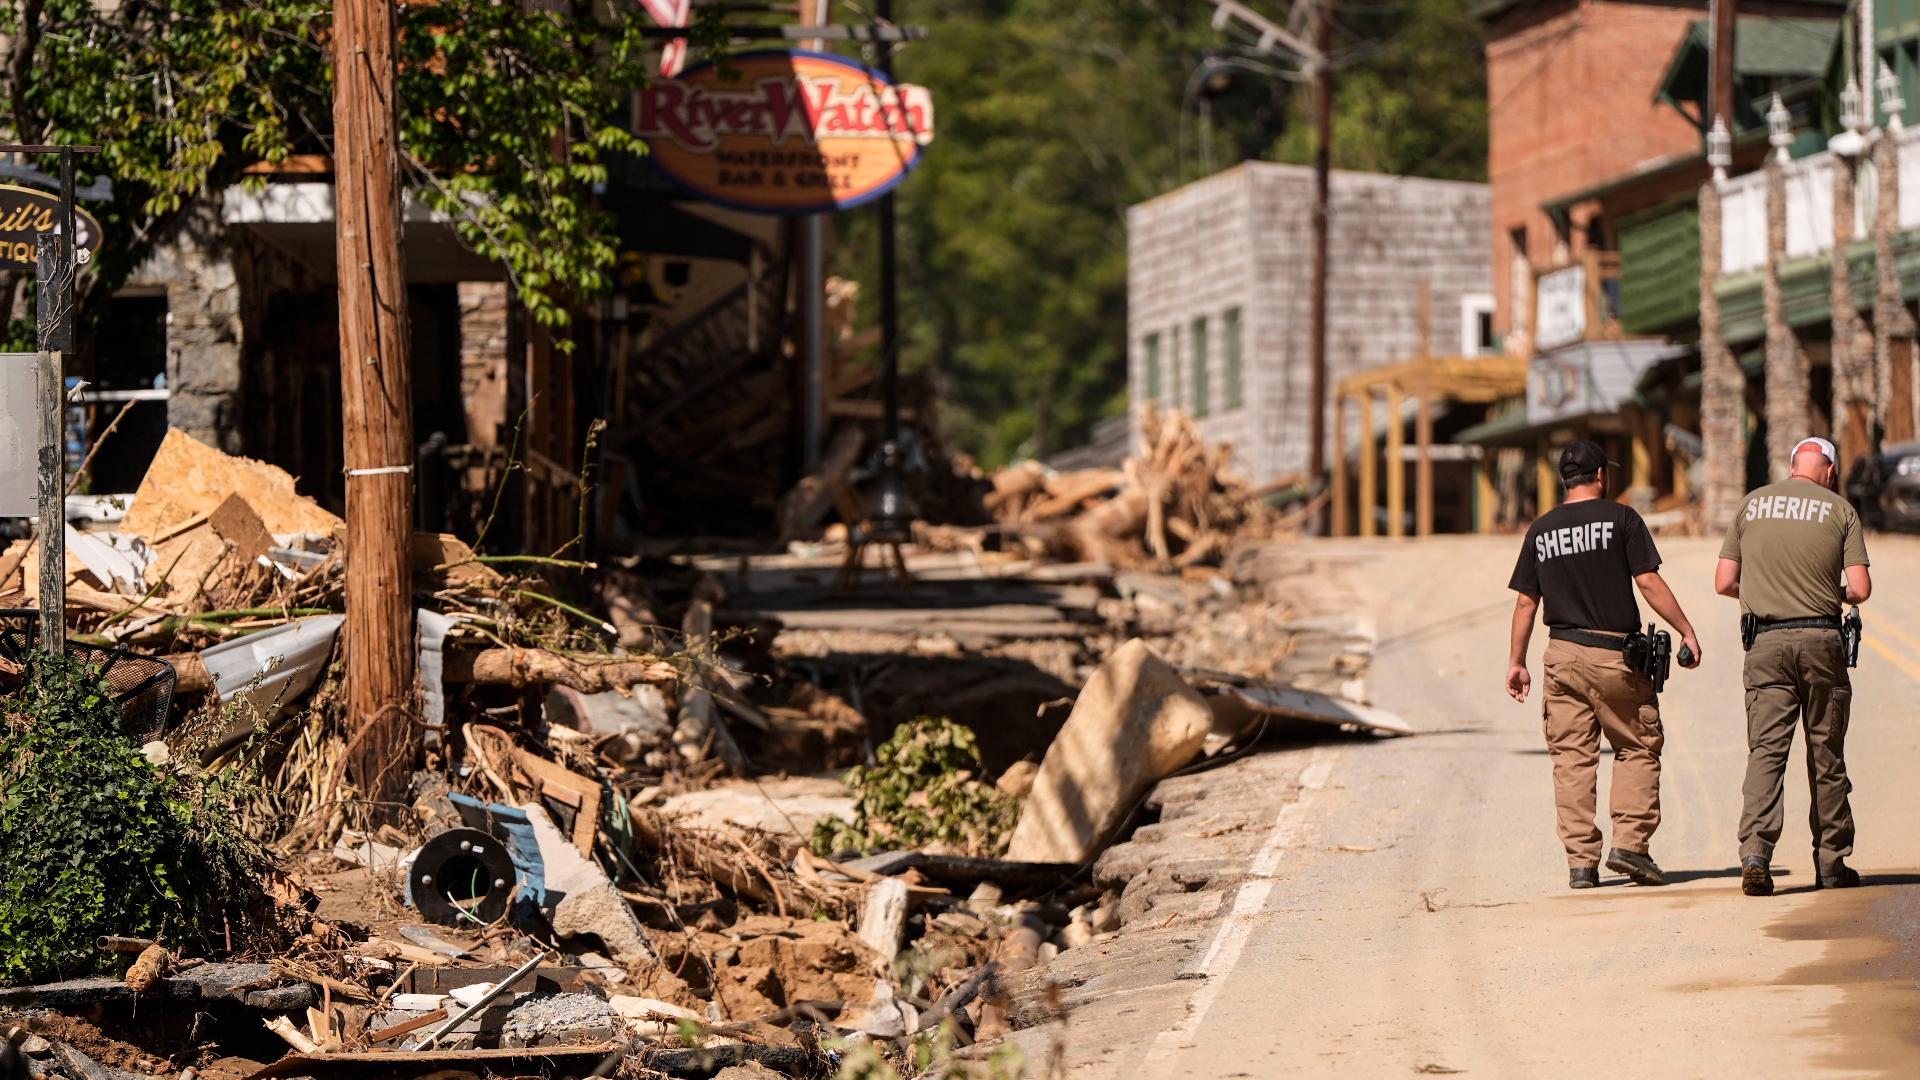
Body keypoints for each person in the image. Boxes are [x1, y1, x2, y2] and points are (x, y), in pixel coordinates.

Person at [1506, 440, 1703, 889]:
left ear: (1565, 481)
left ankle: (1581, 864)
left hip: (1562, 654)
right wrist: (1686, 630)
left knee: (1572, 758)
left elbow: (1524, 603)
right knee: (1636, 745)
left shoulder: (1541, 530)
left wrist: (1517, 662)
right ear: (1600, 476)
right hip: (1616, 656)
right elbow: (1648, 582)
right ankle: (1630, 847)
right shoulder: (1622, 518)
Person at [1715, 435, 1871, 897]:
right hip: (1821, 639)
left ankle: (1756, 856)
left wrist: (1763, 591)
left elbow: (1724, 580)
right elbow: (1859, 589)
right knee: (1826, 753)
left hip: (1765, 642)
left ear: (1792, 465)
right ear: (1829, 470)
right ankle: (1830, 864)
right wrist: (1828, 592)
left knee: (1766, 751)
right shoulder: (1840, 510)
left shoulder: (1751, 504)